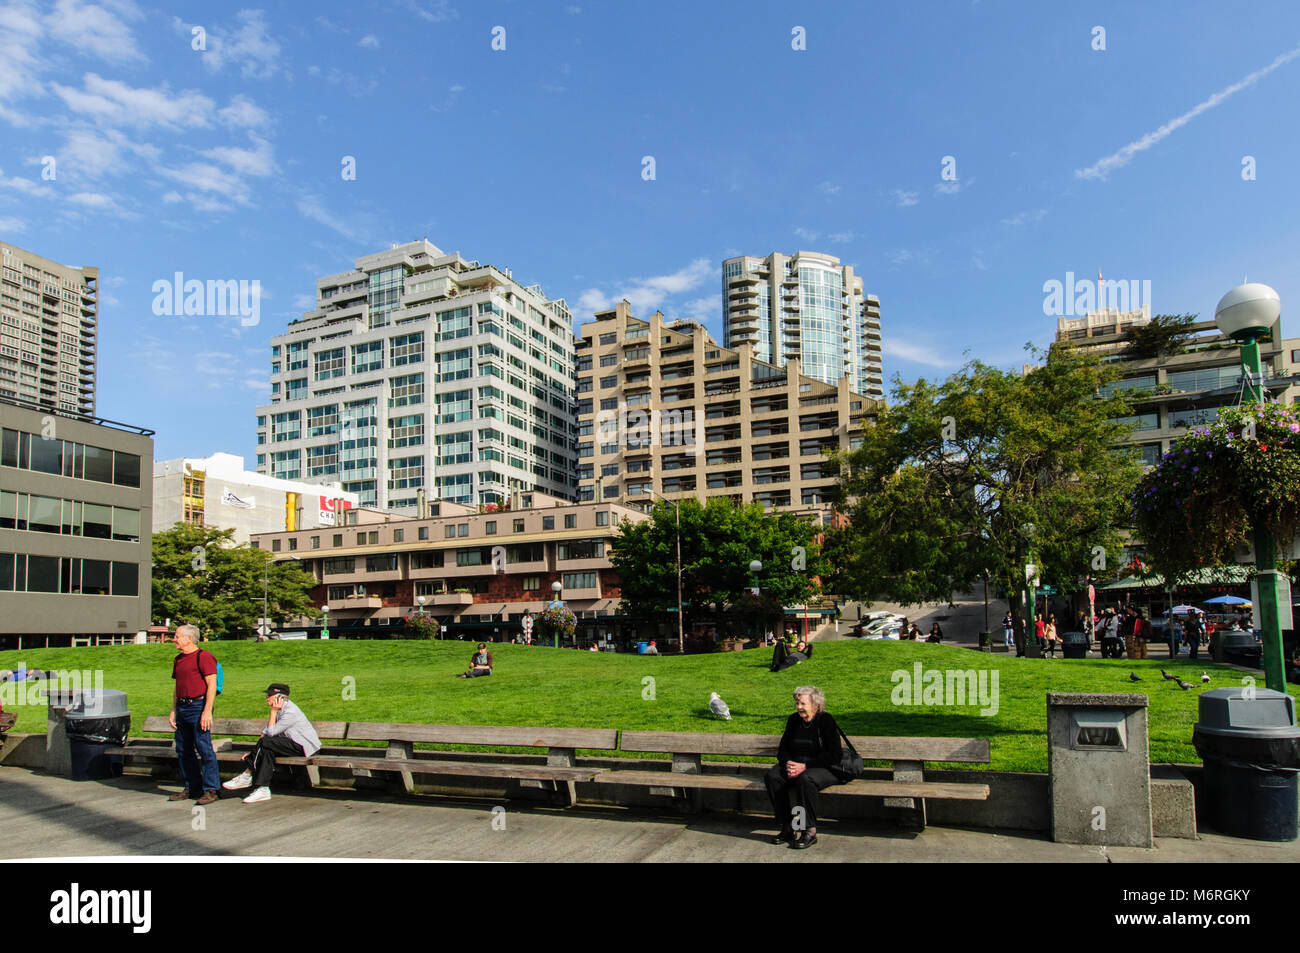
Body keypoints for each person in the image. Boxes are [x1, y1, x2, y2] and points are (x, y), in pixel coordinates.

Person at [764, 686, 849, 849]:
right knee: (773, 776)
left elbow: (834, 755)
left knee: (805, 779)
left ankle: (808, 831)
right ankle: (788, 828)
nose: (798, 707)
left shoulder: (825, 720)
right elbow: (783, 749)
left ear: (815, 705)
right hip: (797, 765)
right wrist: (787, 763)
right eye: (797, 703)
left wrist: (805, 766)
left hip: (824, 767)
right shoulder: (794, 720)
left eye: (802, 703)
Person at [222, 683, 321, 804]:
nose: (266, 697)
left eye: (270, 695)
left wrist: (273, 712)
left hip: (304, 747)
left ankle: (247, 774)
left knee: (267, 743)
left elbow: (271, 733)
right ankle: (262, 789)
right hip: (290, 744)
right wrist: (253, 753)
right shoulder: (280, 710)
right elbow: (264, 733)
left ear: (280, 698)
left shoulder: (290, 712)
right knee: (267, 750)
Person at [168, 624, 220, 806]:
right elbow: (177, 687)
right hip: (182, 707)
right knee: (183, 749)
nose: (174, 639)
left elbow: (212, 685)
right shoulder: (178, 659)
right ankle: (192, 786)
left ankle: (211, 789)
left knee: (203, 747)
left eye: (177, 636)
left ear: (189, 638)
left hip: (198, 706)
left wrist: (207, 710)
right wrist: (174, 710)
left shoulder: (204, 657)